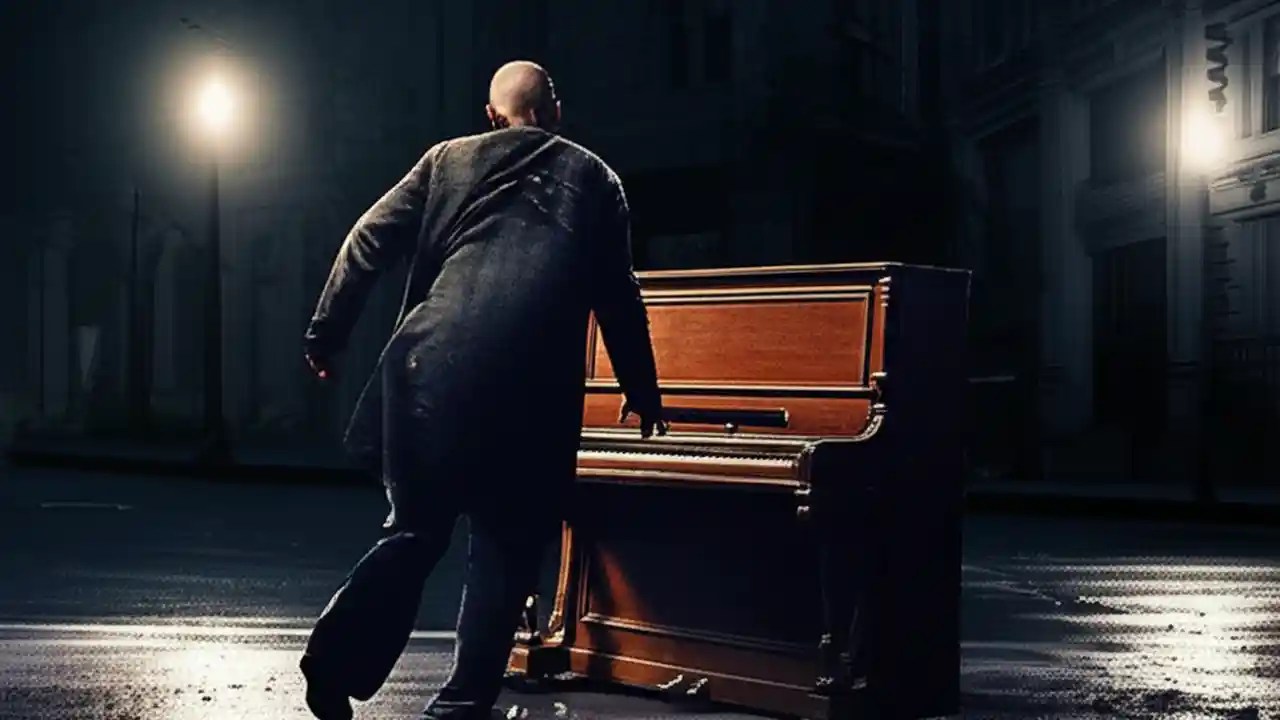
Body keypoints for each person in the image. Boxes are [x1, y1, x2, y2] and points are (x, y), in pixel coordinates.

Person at [298, 60, 666, 719]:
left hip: (428, 370)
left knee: (413, 531)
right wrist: (641, 388)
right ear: (553, 110)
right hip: (529, 386)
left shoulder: (444, 161)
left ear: (492, 115)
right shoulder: (595, 177)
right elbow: (619, 294)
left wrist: (327, 333)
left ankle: (332, 664)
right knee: (506, 541)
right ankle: (459, 705)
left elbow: (367, 241)